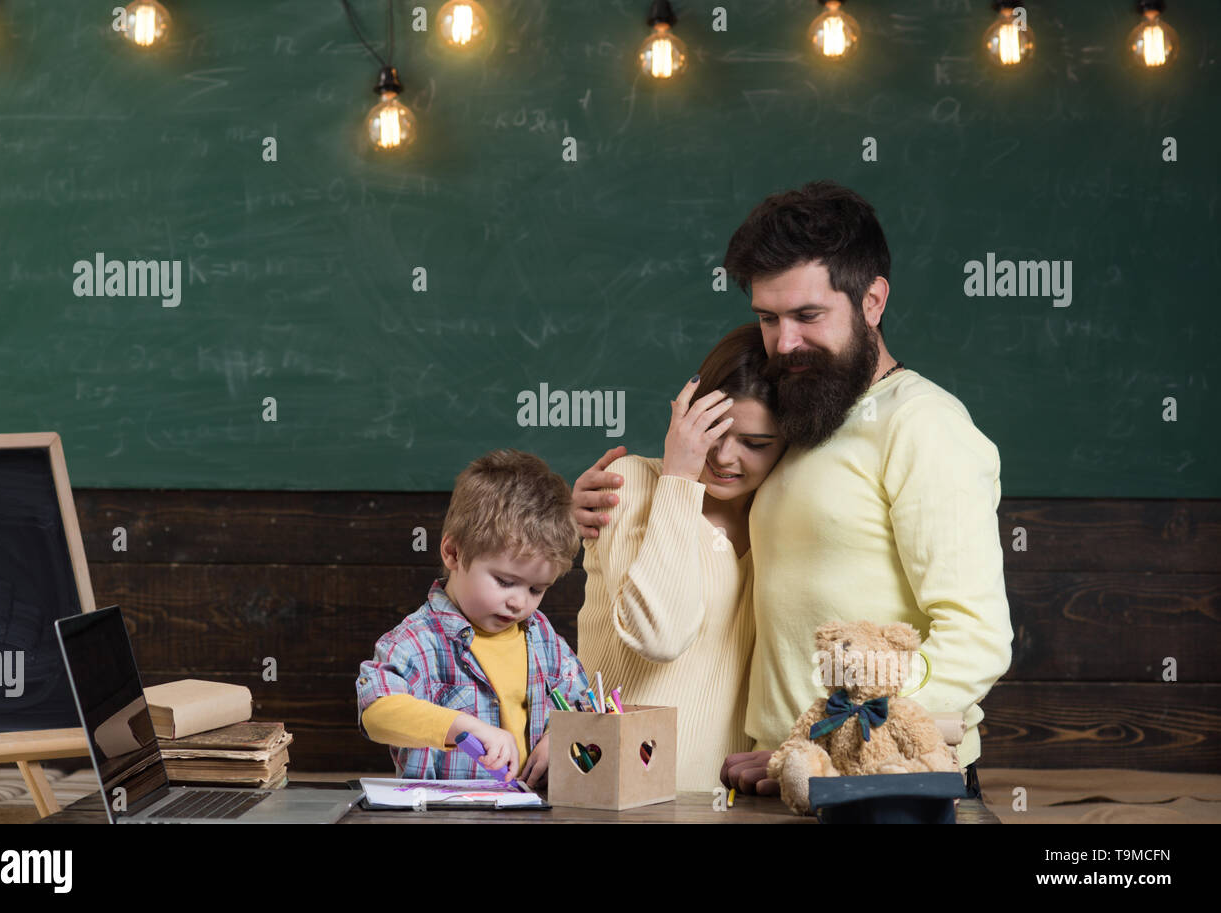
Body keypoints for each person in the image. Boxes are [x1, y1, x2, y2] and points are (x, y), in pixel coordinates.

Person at [574, 181, 1013, 800]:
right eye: (767, 317)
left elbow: (977, 639)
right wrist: (597, 507)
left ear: (873, 301)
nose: (783, 343)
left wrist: (831, 743)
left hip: (885, 781)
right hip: (771, 777)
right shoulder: (798, 415)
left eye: (808, 316)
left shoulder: (924, 425)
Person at [576, 324, 789, 790]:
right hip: (605, 791)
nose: (726, 457)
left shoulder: (778, 523)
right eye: (713, 431)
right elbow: (660, 636)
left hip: (727, 804)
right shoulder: (629, 481)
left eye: (755, 444)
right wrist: (678, 479)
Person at [357, 449, 590, 785]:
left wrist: (562, 738)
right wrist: (462, 727)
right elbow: (376, 712)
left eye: (537, 590)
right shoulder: (417, 641)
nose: (519, 602)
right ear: (453, 552)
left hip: (533, 807)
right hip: (444, 813)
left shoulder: (544, 640)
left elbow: (583, 704)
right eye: (505, 582)